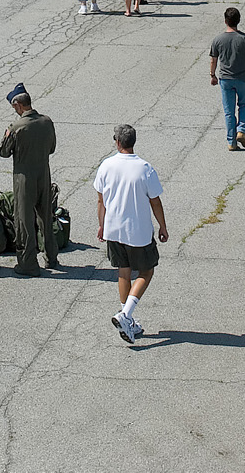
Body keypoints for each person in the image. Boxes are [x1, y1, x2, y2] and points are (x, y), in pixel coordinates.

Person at [94, 122, 166, 344]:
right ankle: (125, 315)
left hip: (114, 229)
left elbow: (101, 201)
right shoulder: (144, 168)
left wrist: (102, 225)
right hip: (138, 232)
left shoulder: (106, 166)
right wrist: (163, 226)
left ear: (117, 142)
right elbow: (155, 201)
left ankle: (127, 321)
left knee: (124, 273)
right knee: (146, 271)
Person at [0, 83, 57, 275]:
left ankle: (28, 263)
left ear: (18, 105)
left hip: (24, 178)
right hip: (43, 174)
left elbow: (4, 152)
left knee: (24, 220)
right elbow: (52, 148)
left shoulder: (17, 127)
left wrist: (8, 135)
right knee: (46, 217)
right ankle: (52, 257)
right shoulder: (47, 121)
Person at [208, 7, 245, 150]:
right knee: (244, 105)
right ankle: (241, 130)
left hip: (225, 79)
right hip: (242, 79)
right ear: (238, 21)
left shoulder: (218, 40)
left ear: (225, 21)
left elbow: (214, 60)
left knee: (229, 111)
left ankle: (231, 142)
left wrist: (212, 75)